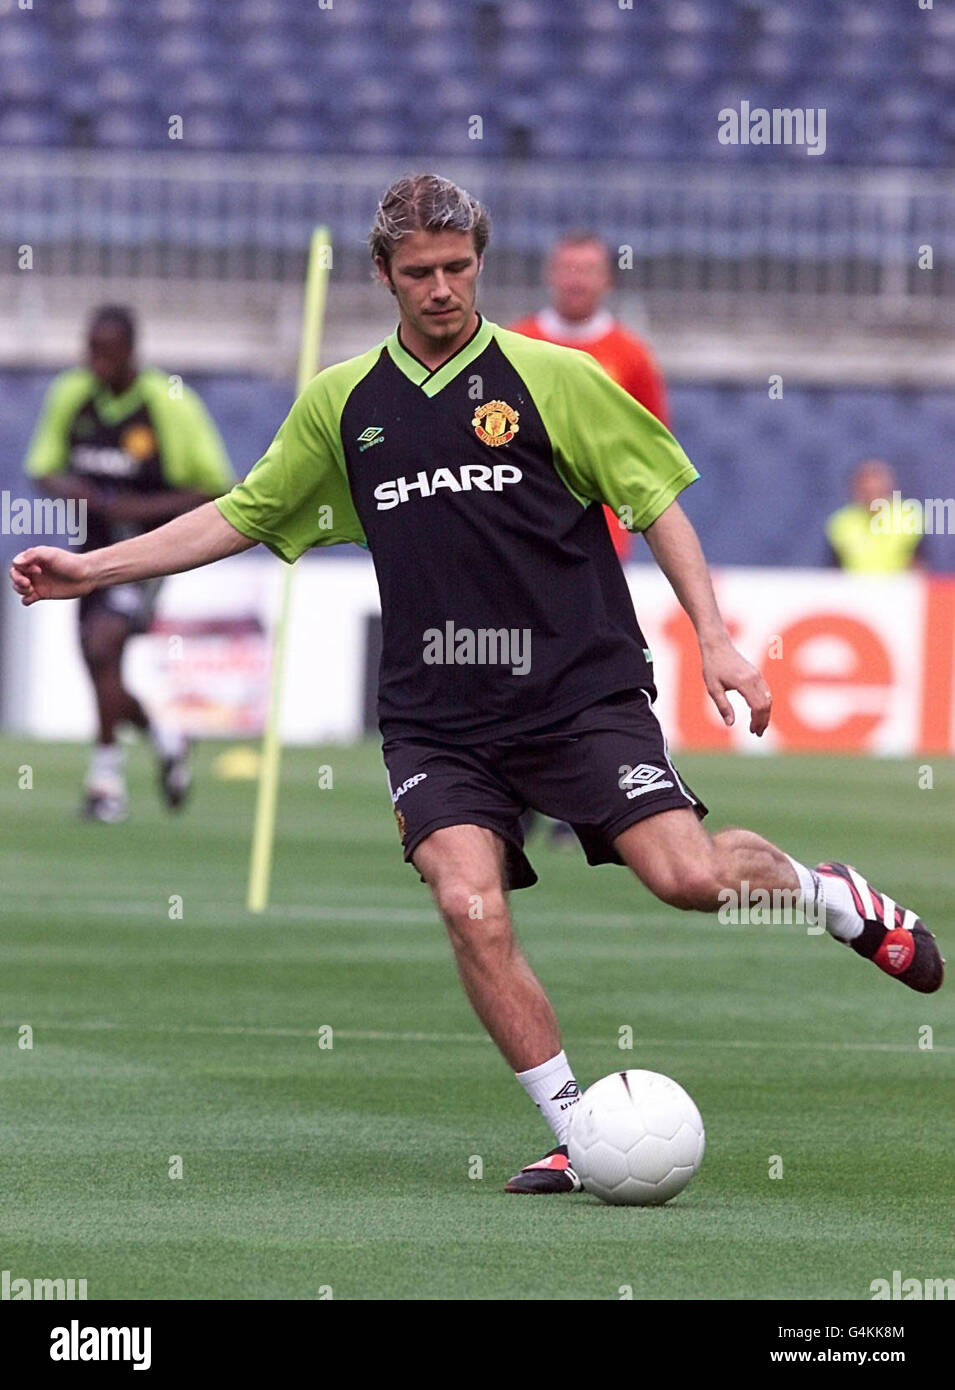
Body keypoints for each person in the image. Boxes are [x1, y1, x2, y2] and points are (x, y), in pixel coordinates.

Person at [11, 176, 943, 1197]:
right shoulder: (342, 403)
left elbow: (658, 502)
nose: (443, 289)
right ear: (383, 275)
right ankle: (576, 1127)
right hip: (436, 716)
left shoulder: (556, 377)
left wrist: (715, 640)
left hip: (578, 690)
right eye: (420, 273)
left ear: (479, 263)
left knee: (683, 878)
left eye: (458, 268)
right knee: (469, 902)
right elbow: (240, 513)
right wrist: (90, 568)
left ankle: (824, 892)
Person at [24, 306, 233, 822]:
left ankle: (105, 781)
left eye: (106, 353)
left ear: (130, 352)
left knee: (102, 644)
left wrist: (133, 510)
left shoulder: (169, 404)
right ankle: (166, 737)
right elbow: (42, 468)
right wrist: (78, 491)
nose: (94, 362)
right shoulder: (71, 396)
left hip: (145, 556)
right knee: (99, 663)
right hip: (87, 555)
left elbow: (215, 487)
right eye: (89, 350)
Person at [510, 231, 669, 561]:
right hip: (524, 509)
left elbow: (652, 438)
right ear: (550, 274)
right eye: (568, 269)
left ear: (608, 280)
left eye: (588, 271)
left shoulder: (631, 354)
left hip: (602, 517)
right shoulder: (516, 344)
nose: (576, 281)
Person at [826, 458, 926, 572]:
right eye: (866, 491)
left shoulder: (910, 516)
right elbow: (833, 572)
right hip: (854, 587)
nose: (872, 497)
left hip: (898, 586)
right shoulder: (842, 523)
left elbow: (920, 563)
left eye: (877, 491)